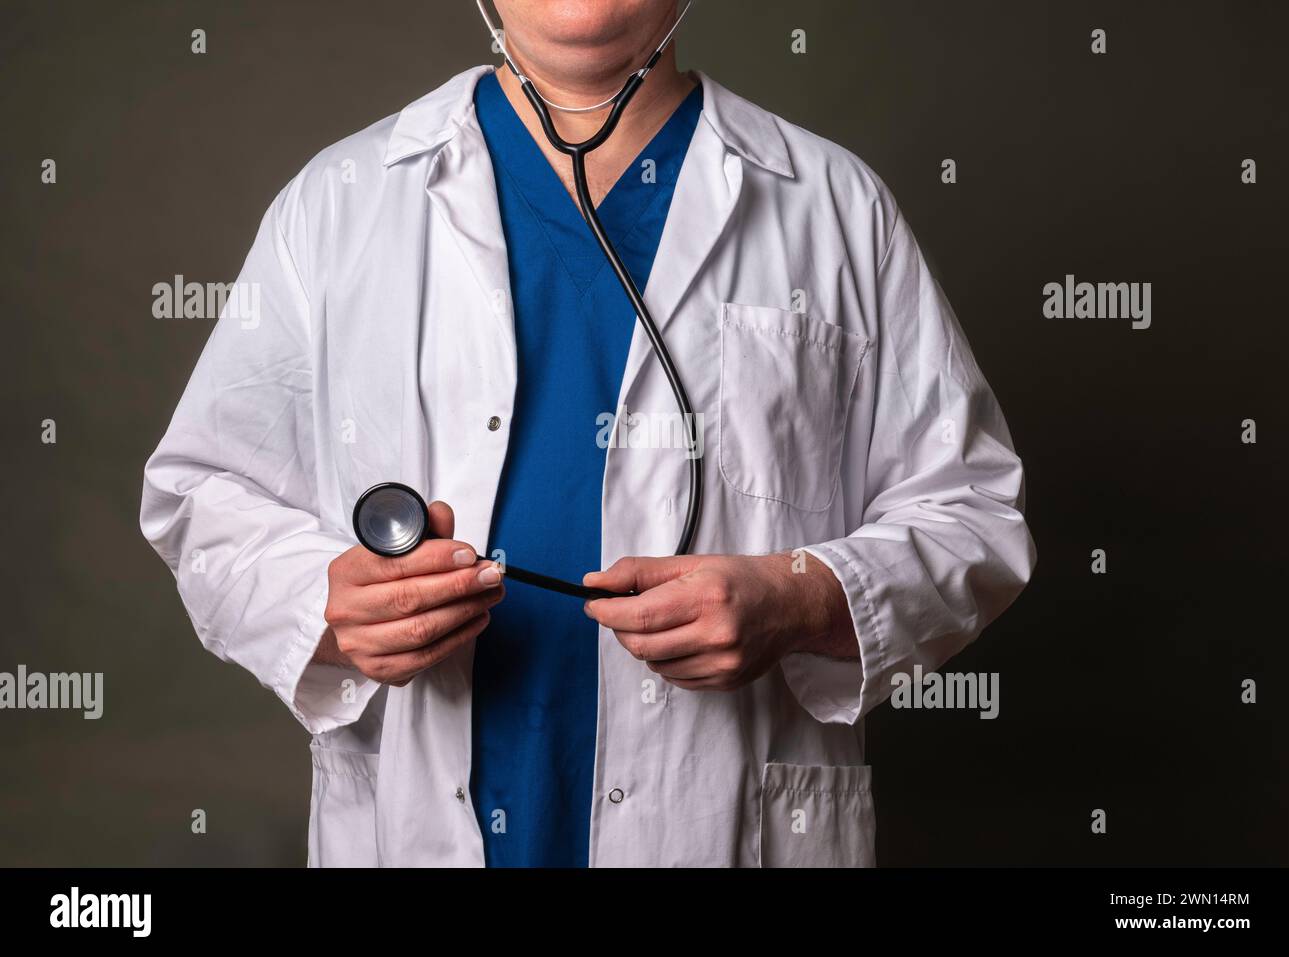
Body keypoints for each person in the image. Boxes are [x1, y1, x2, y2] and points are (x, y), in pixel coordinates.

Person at [140, 0, 1035, 867]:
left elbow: (974, 515)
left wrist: (796, 598)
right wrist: (327, 603)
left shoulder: (835, 209)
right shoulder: (337, 206)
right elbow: (203, 495)